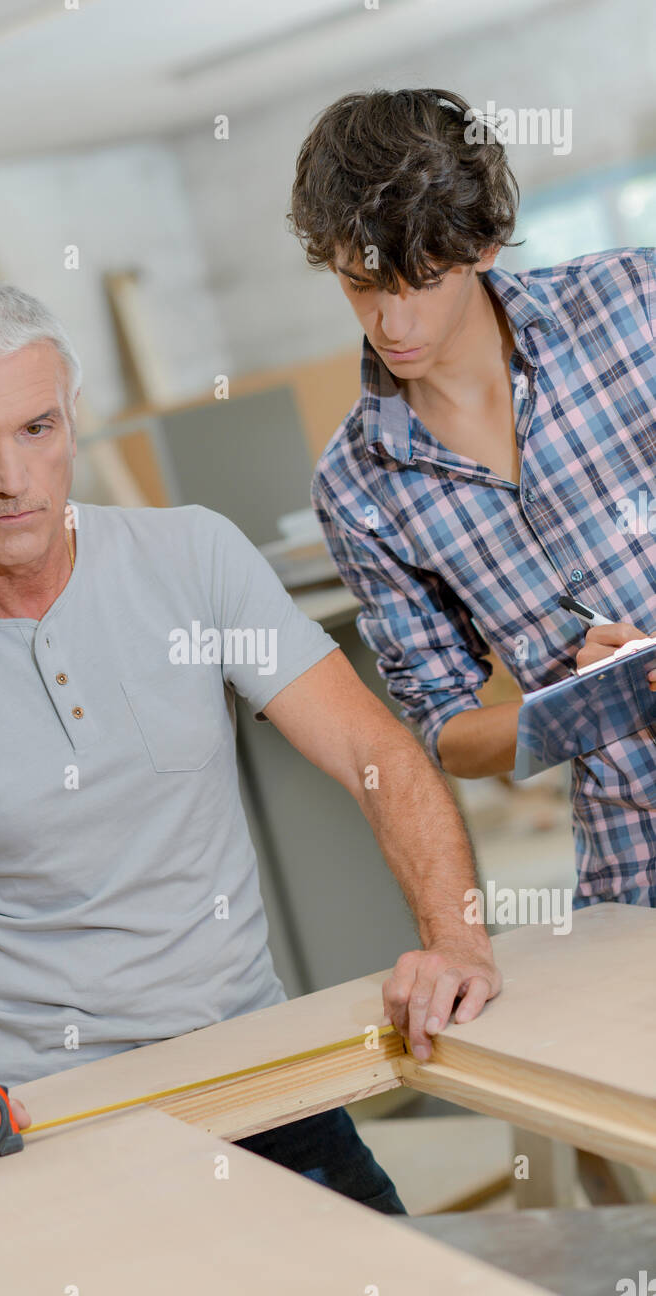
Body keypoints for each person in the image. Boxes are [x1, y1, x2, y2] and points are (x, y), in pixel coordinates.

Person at [0, 281, 498, 1211]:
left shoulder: (194, 558)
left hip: (254, 1066)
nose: (11, 479)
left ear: (73, 424)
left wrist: (454, 938)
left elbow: (372, 753)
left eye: (37, 429)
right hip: (44, 1120)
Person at [291, 87, 656, 909]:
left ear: (482, 244)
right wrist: (587, 703)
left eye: (418, 280)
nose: (389, 322)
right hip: (635, 865)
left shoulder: (635, 305)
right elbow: (447, 734)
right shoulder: (357, 486)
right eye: (359, 284)